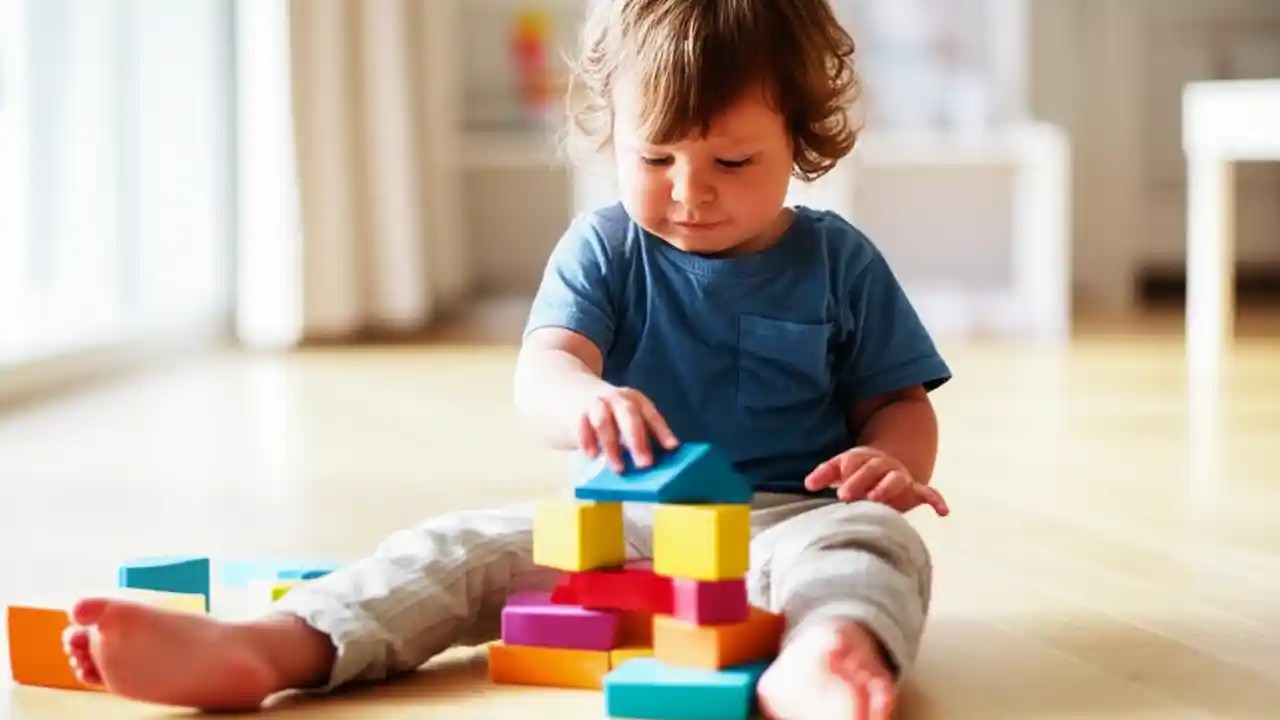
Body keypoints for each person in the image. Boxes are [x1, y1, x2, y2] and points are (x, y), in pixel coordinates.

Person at [61, 1, 951, 717]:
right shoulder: (605, 247)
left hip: (791, 521)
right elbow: (543, 371)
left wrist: (893, 462)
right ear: (614, 133)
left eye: (730, 158)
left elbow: (899, 402)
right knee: (458, 546)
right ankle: (277, 645)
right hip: (616, 527)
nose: (689, 189)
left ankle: (821, 657)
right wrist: (581, 400)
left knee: (876, 548)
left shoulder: (840, 261)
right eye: (655, 155)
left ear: (802, 137)